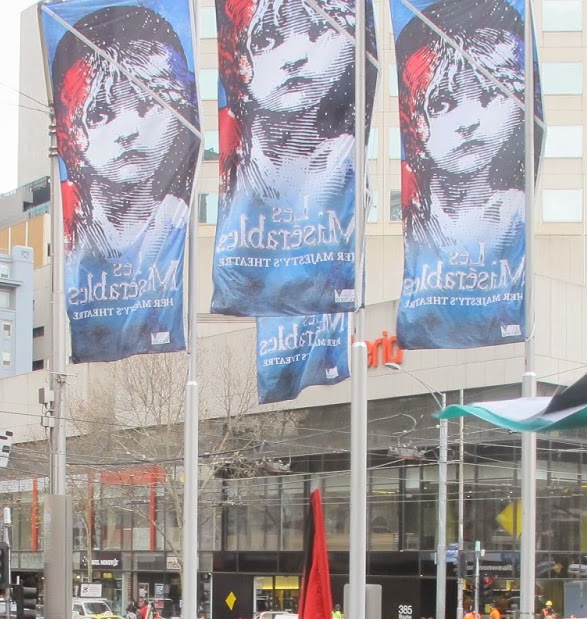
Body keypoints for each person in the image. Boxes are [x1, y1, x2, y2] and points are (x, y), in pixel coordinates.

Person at [49, 3, 199, 364]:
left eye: (150, 104)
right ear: (73, 127)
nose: (129, 130)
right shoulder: (74, 240)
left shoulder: (180, 225)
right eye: (102, 113)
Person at [212, 0, 370, 316]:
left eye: (317, 31)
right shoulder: (238, 163)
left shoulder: (351, 164)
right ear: (241, 58)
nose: (295, 57)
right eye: (268, 40)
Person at [394, 0, 533, 350]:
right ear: (417, 118)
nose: (468, 121)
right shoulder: (419, 222)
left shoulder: (519, 219)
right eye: (442, 103)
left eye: (489, 94)